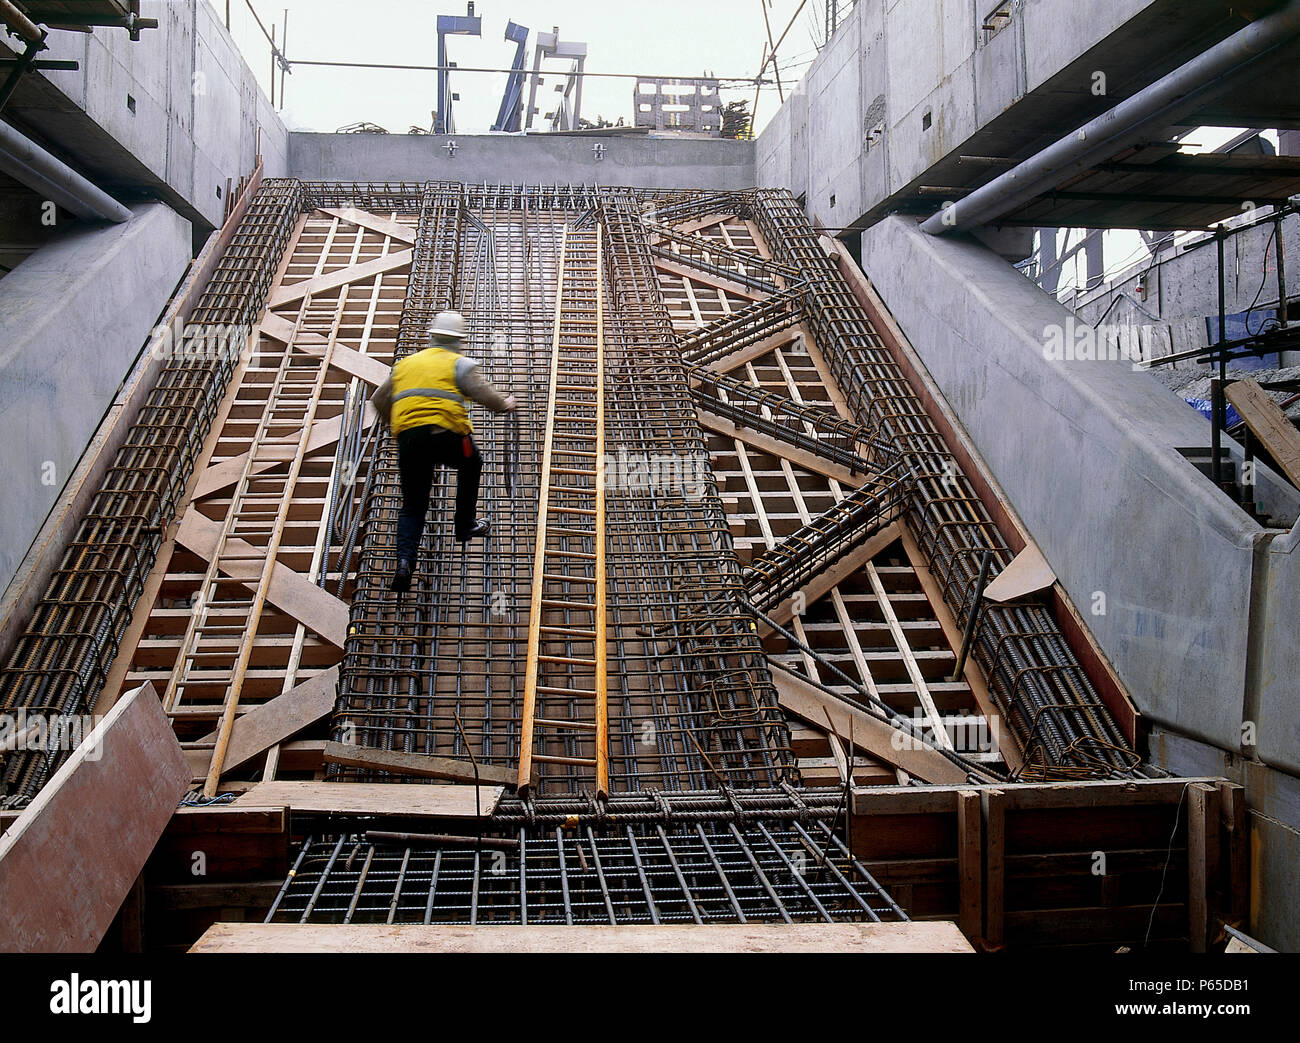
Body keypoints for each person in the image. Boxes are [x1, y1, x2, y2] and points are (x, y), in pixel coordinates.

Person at [371, 310, 517, 593]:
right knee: (472, 463)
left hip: (410, 440)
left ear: (432, 337)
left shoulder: (404, 366)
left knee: (413, 505)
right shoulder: (459, 364)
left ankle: (404, 562)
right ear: (458, 340)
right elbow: (484, 394)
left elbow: (378, 399)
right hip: (447, 435)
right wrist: (505, 404)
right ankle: (464, 525)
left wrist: (400, 425)